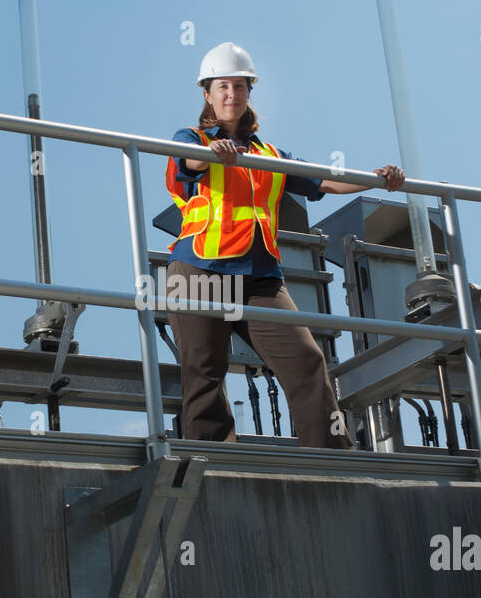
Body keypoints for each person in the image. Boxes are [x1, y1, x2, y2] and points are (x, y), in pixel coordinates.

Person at [164, 41, 405, 448]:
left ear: (248, 94)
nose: (231, 95)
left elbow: (324, 180)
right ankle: (216, 461)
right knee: (204, 371)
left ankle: (332, 457)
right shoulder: (191, 138)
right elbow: (187, 163)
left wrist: (377, 178)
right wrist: (210, 153)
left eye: (240, 87)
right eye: (223, 87)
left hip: (259, 279)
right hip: (198, 270)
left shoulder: (270, 155)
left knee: (307, 360)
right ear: (207, 94)